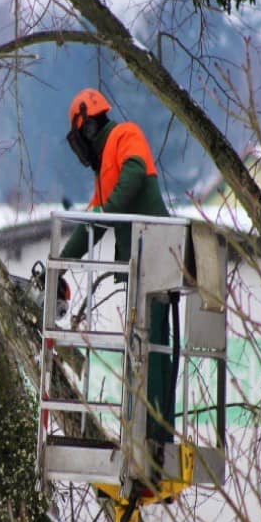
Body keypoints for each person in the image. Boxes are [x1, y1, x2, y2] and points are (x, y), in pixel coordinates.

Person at [60, 87, 173, 444]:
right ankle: (140, 429)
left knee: (153, 351)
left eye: (81, 138)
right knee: (139, 350)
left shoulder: (126, 135)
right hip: (139, 269)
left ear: (88, 128)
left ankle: (154, 436)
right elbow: (91, 225)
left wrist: (109, 212)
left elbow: (136, 174)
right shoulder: (104, 173)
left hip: (156, 257)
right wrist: (60, 264)